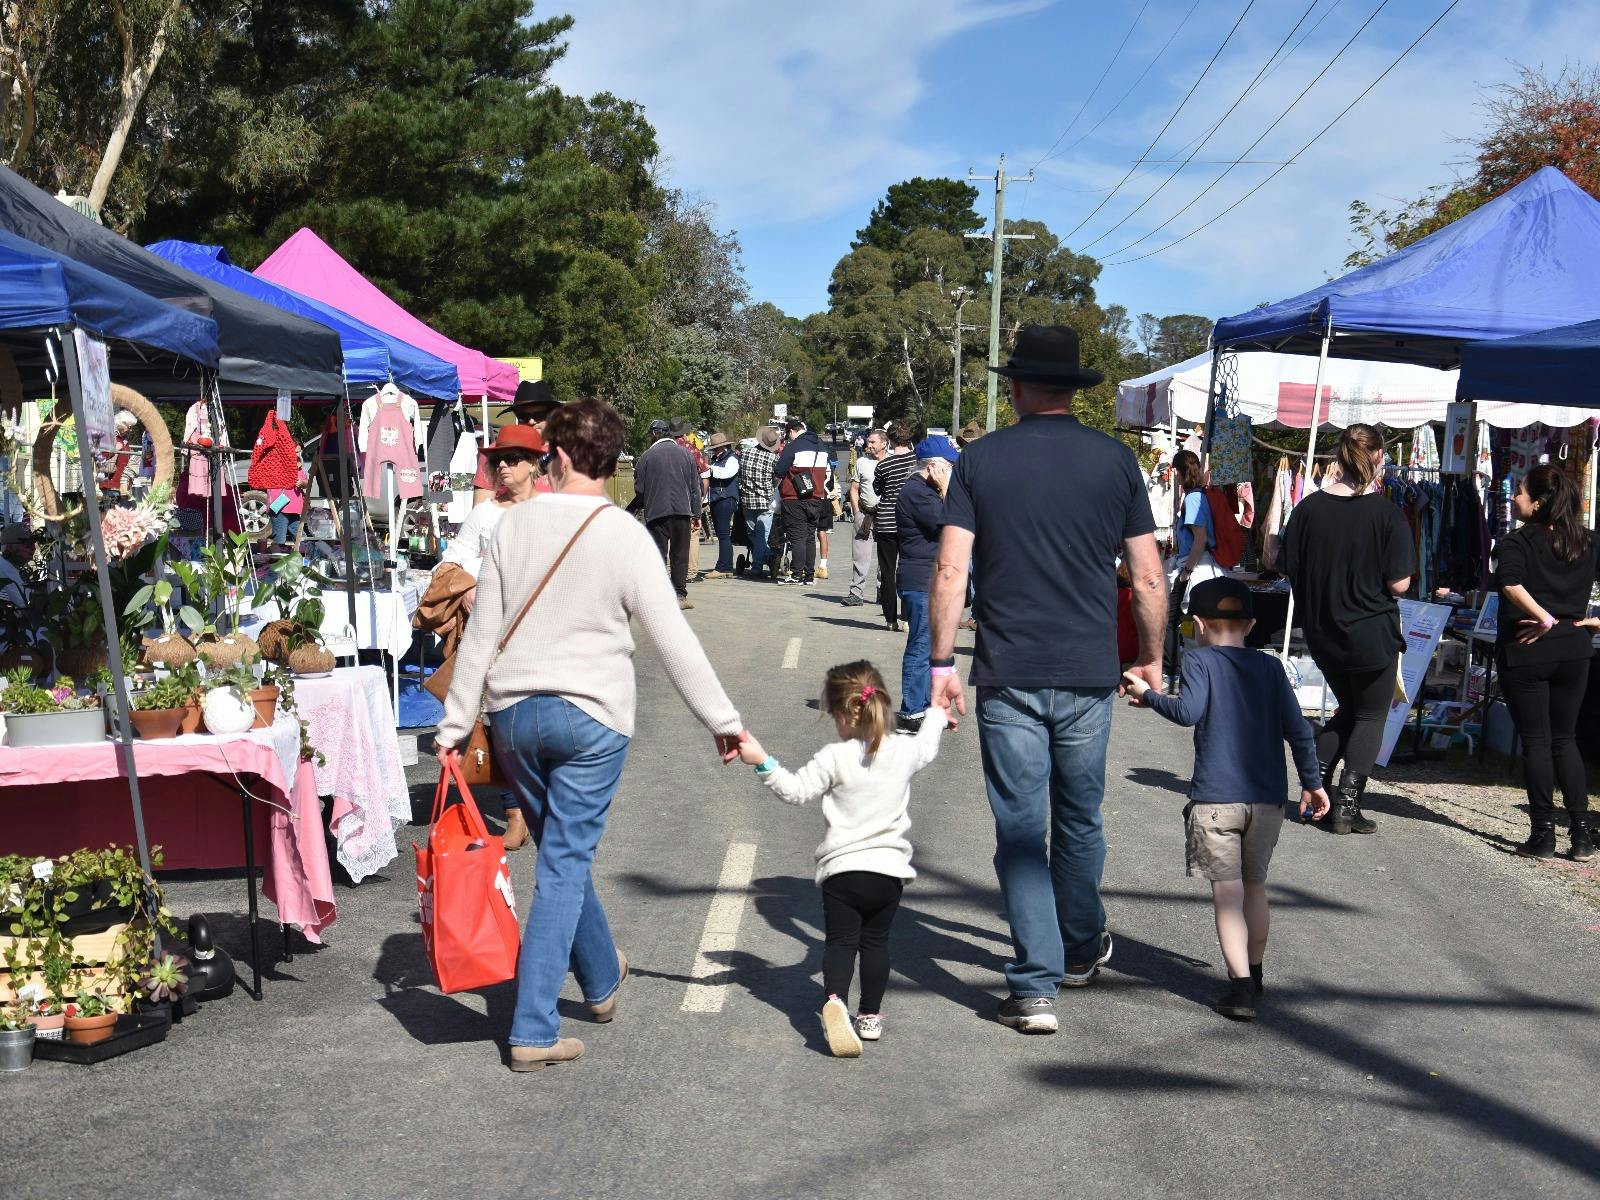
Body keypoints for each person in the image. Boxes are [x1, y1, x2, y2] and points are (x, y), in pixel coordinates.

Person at [436, 399, 750, 1072]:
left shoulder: (513, 528)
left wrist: (456, 724)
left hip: (514, 714)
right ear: (610, 461)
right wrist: (724, 723)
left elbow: (482, 634)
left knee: (558, 856)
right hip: (592, 718)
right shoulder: (623, 534)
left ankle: (602, 979)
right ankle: (534, 1029)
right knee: (562, 867)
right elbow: (673, 641)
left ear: (563, 456)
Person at [928, 324, 1167, 1035]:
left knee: (1021, 828)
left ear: (1017, 386)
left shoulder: (980, 462)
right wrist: (1151, 659)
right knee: (1080, 817)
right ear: (1073, 388)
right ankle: (1081, 946)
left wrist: (942, 664)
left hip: (1009, 671)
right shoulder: (1116, 462)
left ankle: (1034, 985)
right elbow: (1148, 577)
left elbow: (951, 571)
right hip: (1090, 672)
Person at [1120, 578, 1330, 1021]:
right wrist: (1312, 783)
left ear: (1197, 624)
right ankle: (1255, 974)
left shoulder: (1200, 662)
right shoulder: (1272, 669)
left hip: (1216, 800)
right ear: (1251, 624)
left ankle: (1239, 990)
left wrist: (1148, 696)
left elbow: (1187, 712)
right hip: (1268, 801)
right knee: (1256, 889)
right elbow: (1299, 732)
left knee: (1227, 896)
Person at [737, 661, 945, 1057]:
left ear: (839, 714)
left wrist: (761, 759)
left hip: (843, 873)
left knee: (840, 942)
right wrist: (936, 711)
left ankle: (834, 1001)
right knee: (877, 944)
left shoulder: (834, 756)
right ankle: (869, 1016)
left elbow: (795, 791)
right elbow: (929, 746)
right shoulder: (904, 749)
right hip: (888, 873)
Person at [1280, 424, 1413, 836]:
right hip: (1370, 630)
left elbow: (1284, 564)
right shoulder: (1386, 513)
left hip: (1323, 630)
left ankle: (1313, 790)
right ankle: (1347, 806)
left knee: (1351, 710)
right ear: (1377, 458)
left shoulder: (1308, 508)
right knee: (1371, 714)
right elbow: (1400, 583)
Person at [428, 423, 548, 852]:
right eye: (498, 460)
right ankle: (515, 813)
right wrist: (468, 585)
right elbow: (450, 564)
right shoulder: (484, 515)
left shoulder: (556, 512)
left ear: (535, 466)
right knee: (503, 729)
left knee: (545, 726)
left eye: (513, 459)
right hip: (495, 642)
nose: (502, 467)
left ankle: (545, 806)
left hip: (547, 639)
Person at [1495, 465, 1599, 862]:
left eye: (1520, 492)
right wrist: (1589, 621)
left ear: (1538, 504)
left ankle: (1542, 834)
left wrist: (1545, 618)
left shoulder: (1516, 543)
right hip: (1574, 650)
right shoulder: (1587, 542)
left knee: (1538, 742)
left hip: (1528, 649)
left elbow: (1510, 584)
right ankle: (1581, 834)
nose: (1514, 497)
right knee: (1565, 740)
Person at [895, 437, 957, 730]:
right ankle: (911, 710)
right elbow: (948, 523)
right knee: (921, 646)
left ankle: (926, 704)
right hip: (919, 578)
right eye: (949, 468)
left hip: (929, 578)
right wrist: (946, 489)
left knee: (932, 646)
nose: (953, 474)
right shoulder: (918, 492)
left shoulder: (926, 491)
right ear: (933, 467)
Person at [633, 418, 703, 609]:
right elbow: (695, 488)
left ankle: (659, 595)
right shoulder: (686, 455)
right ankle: (680, 595)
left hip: (657, 513)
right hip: (682, 512)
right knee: (680, 554)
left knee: (658, 554)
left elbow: (639, 489)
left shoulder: (646, 457)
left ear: (654, 434)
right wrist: (696, 514)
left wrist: (642, 505)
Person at [1164, 449, 1219, 687]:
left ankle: (1173, 671)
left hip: (1194, 567)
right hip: (1198, 565)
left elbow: (1200, 537)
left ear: (1181, 471)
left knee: (1176, 619)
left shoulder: (1194, 498)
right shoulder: (1199, 496)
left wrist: (1187, 570)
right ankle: (1182, 670)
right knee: (1186, 621)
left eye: (1176, 471)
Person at [871, 422, 918, 630]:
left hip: (886, 522)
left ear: (889, 441)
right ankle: (907, 617)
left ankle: (890, 619)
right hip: (911, 522)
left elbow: (878, 490)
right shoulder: (918, 462)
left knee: (887, 571)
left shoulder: (883, 466)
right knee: (909, 569)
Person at [773, 416, 829, 585]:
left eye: (787, 434)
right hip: (816, 497)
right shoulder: (822, 446)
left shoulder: (794, 446)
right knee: (809, 537)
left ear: (792, 431)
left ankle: (796, 575)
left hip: (794, 498)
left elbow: (779, 470)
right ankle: (809, 575)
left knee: (797, 537)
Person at [844, 429, 886, 607]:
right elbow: (854, 489)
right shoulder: (861, 462)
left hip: (886, 515)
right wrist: (856, 512)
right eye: (868, 442)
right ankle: (856, 593)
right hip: (865, 514)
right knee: (860, 555)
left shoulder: (892, 461)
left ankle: (883, 591)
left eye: (872, 442)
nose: (868, 445)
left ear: (884, 444)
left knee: (886, 556)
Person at [739, 426, 781, 578]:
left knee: (753, 533)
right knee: (762, 535)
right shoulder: (774, 459)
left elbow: (740, 476)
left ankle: (763, 557)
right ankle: (761, 563)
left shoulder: (745, 454)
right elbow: (776, 480)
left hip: (747, 501)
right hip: (765, 502)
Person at [704, 431, 740, 579]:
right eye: (714, 448)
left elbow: (727, 473)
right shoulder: (717, 459)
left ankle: (722, 567)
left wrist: (710, 468)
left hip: (726, 499)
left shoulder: (731, 459)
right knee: (723, 534)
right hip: (718, 498)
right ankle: (726, 566)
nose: (715, 450)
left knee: (724, 534)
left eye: (717, 448)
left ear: (724, 446)